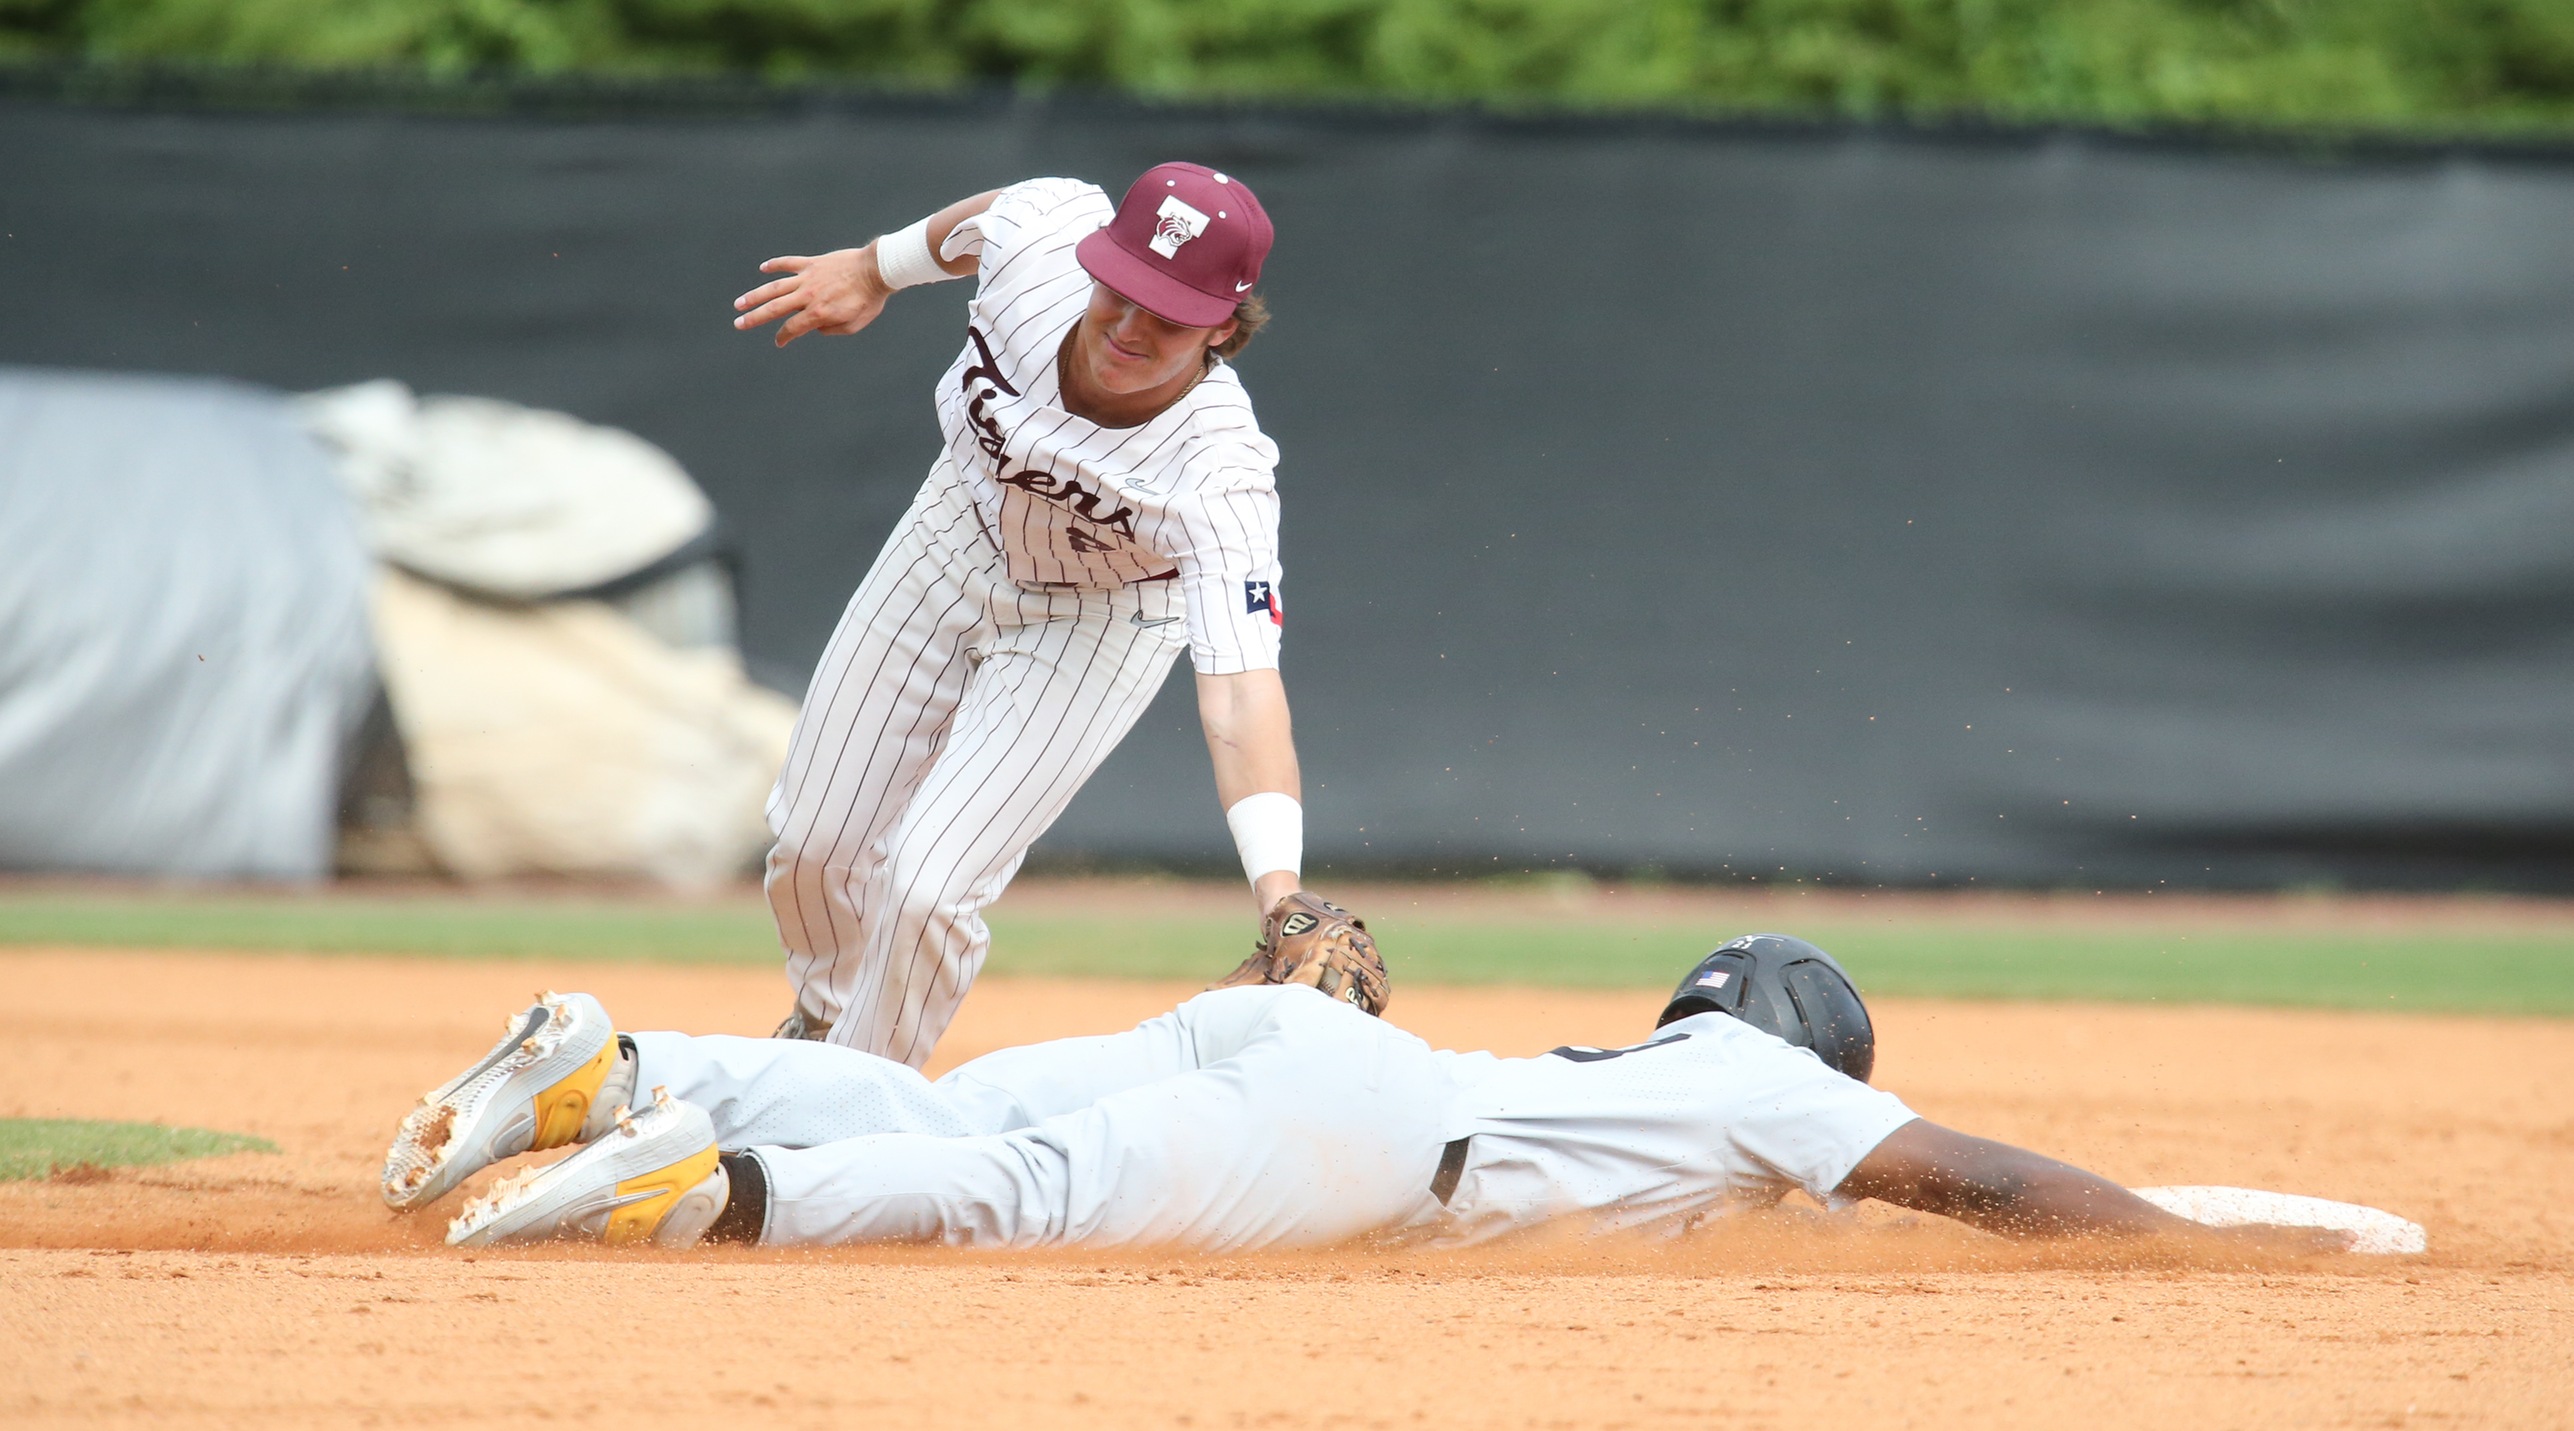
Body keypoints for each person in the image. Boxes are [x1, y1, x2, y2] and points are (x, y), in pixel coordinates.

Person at [379, 935, 2359, 1256]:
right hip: (1366, 1128)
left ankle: (626, 1067)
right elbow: (1981, 1174)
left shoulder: (1670, 1069)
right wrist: (2179, 1245)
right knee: (1018, 1195)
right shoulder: (1772, 1092)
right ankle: (705, 1185)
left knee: (934, 1097)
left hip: (1293, 1044)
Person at [728, 164, 1313, 1067]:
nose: (1129, 325)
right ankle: (825, 1027)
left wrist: (1281, 892)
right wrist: (876, 267)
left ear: (1224, 328)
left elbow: (1240, 693)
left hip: (1099, 618)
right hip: (951, 536)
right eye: (1121, 289)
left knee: (927, 886)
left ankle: (853, 1096)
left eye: (1168, 313)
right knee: (813, 846)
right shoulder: (1044, 249)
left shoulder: (1221, 475)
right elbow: (1000, 212)